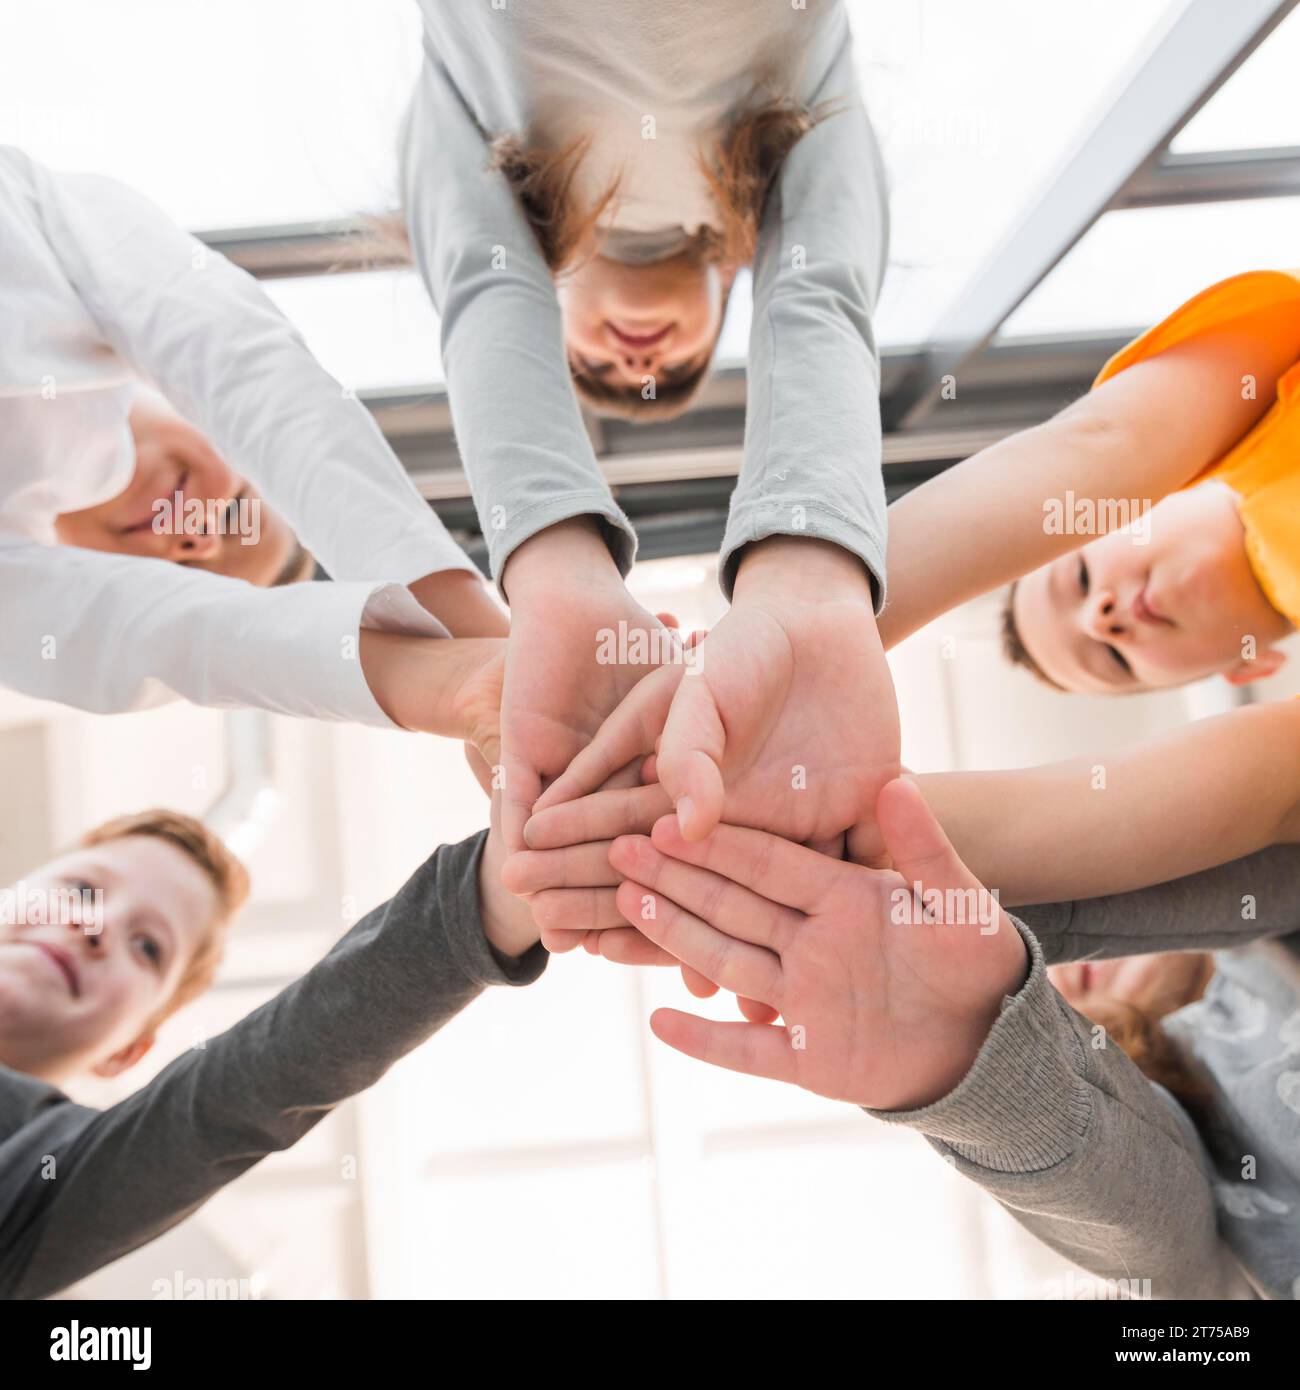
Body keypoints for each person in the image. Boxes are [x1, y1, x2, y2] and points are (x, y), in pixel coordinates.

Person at [400, 0, 900, 858]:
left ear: (550, 290)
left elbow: (485, 290)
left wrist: (556, 574)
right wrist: (810, 582)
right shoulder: (799, 113)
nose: (638, 359)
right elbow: (820, 294)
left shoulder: (484, 119)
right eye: (678, 366)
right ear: (732, 283)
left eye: (592, 364)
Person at [606, 780, 1300, 1299]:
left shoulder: (1258, 927)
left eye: (1055, 977)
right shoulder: (1180, 1101)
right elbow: (1163, 1244)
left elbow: (1238, 852)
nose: (1071, 982)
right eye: (1063, 1009)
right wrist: (983, 1065)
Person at [0, 145, 506, 733]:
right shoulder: (69, 243)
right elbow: (242, 360)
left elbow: (165, 634)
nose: (198, 541)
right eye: (233, 510)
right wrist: (477, 630)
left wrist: (467, 684)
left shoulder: (20, 586)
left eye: (188, 577)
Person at [0, 760, 542, 1301]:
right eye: (83, 891)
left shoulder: (41, 1186)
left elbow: (240, 1091)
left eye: (147, 947)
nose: (95, 926)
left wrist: (496, 896)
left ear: (125, 1053)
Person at [877, 269, 1300, 693]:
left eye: (1080, 578)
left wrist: (856, 606)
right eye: (1115, 659)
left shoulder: (1256, 396)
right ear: (1250, 668)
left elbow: (1107, 440)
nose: (1099, 621)